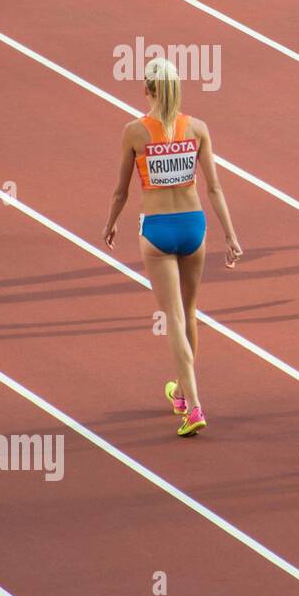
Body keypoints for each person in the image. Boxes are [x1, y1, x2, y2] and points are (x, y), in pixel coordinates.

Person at [102, 57, 242, 437]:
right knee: (190, 313)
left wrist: (111, 223)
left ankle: (194, 405)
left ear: (147, 90)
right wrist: (230, 235)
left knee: (174, 319)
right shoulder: (197, 129)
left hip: (158, 230)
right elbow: (214, 187)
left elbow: (121, 190)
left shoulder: (134, 132)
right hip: (194, 226)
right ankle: (180, 391)